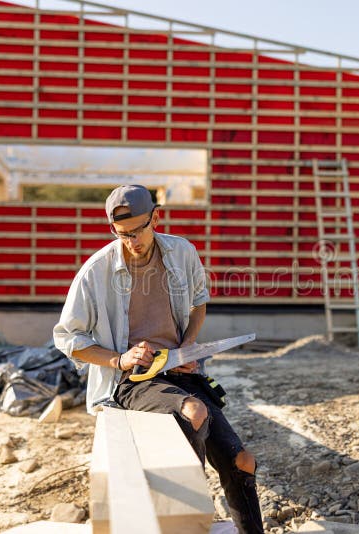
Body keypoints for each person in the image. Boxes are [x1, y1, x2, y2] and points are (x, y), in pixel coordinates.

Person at [53, 184, 263, 534]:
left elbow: (199, 300)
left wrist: (188, 345)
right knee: (194, 413)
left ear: (156, 217)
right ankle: (186, 520)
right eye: (122, 234)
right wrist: (120, 359)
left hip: (181, 372)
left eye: (138, 231)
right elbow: (66, 338)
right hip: (132, 379)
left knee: (244, 462)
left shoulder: (181, 252)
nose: (131, 242)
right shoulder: (96, 270)